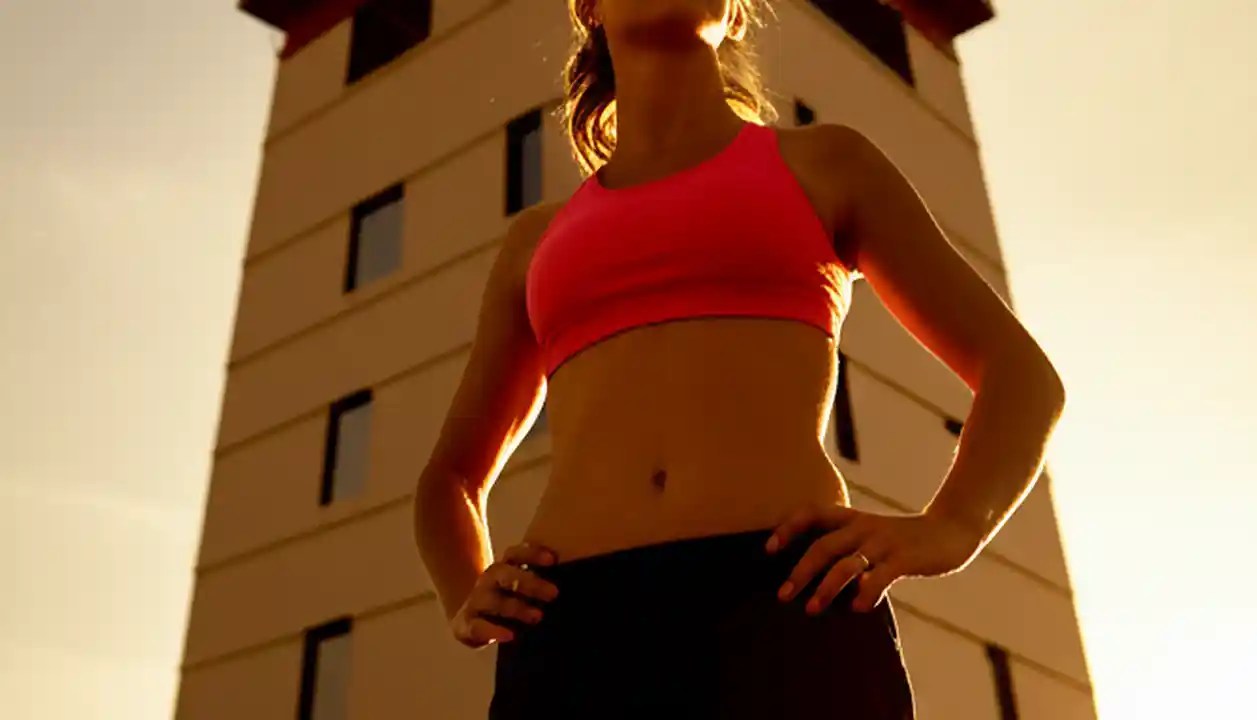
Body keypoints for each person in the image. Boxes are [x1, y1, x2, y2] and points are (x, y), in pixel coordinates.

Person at [413, 1, 1066, 718]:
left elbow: (1022, 377)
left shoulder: (827, 165)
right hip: (574, 626)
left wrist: (951, 526)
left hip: (787, 601)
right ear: (590, 7)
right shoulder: (536, 242)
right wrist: (464, 590)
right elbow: (450, 477)